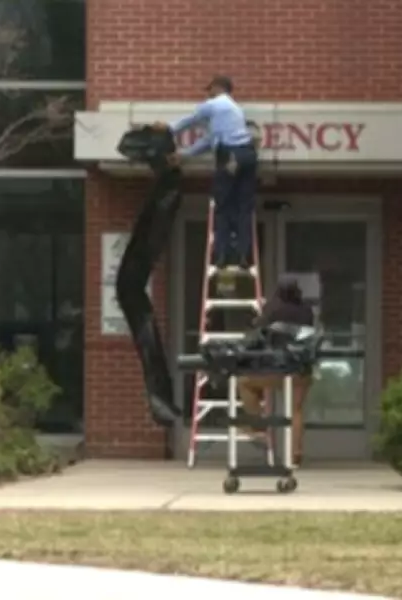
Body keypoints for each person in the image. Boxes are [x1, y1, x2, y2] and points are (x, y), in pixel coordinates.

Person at [152, 75, 258, 270]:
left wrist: (168, 128)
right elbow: (209, 140)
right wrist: (183, 155)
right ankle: (244, 254)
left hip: (230, 156)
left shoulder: (216, 104)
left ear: (217, 88)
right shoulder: (234, 111)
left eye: (209, 90)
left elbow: (192, 118)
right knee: (243, 207)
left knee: (223, 206)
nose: (208, 94)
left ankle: (222, 256)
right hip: (248, 155)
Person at [237, 278, 315, 467]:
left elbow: (257, 330)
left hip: (276, 370)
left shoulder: (273, 309)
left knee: (244, 382)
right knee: (296, 410)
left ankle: (258, 426)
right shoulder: (307, 311)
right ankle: (296, 455)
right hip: (301, 370)